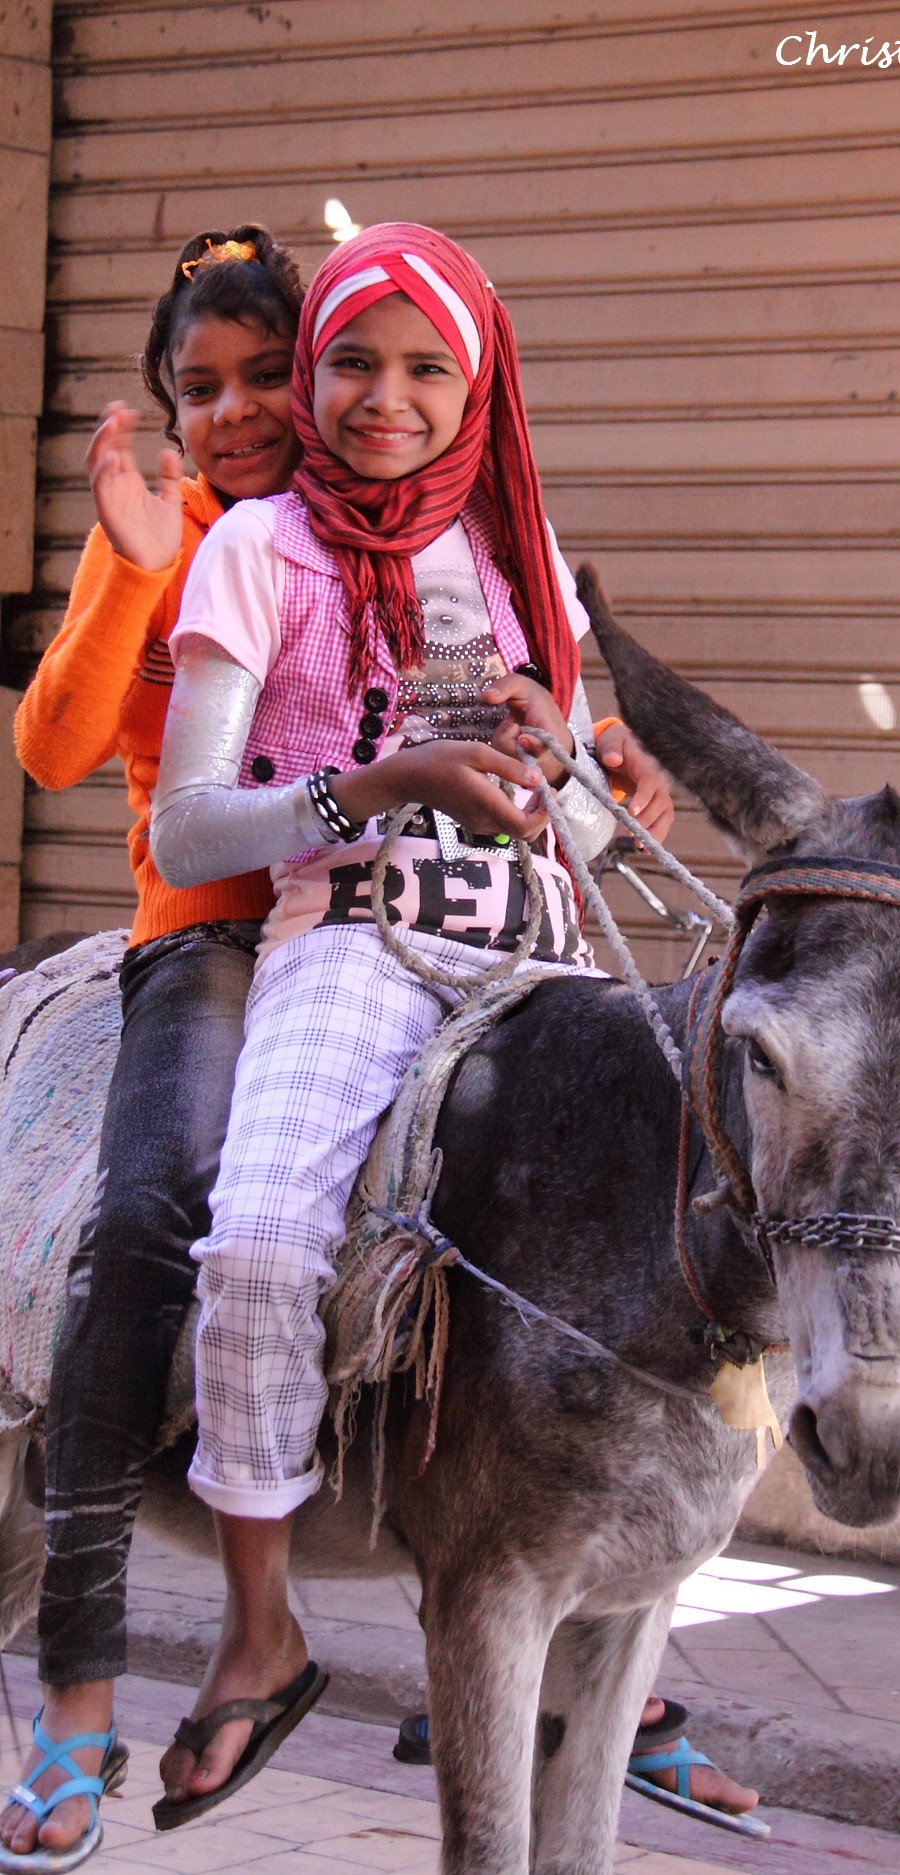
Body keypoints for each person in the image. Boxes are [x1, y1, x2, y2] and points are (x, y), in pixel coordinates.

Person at [142, 221, 705, 1830]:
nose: (385, 399)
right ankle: (261, 1628)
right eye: (353, 364)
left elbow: (566, 825)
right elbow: (190, 834)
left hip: (539, 955)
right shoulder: (259, 550)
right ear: (310, 377)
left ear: (479, 389)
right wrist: (370, 787)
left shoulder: (516, 546)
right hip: (360, 947)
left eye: (425, 369)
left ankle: (619, 1602)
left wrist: (595, 781)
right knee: (256, 1242)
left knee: (696, 1218)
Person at [0, 227, 307, 1872]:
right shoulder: (168, 522)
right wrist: (128, 557)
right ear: (163, 406)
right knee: (141, 1221)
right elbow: (51, 747)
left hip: (385, 930)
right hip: (207, 936)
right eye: (201, 388)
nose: (239, 411)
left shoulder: (374, 526)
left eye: (268, 376)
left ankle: (621, 1662)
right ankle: (82, 1684)